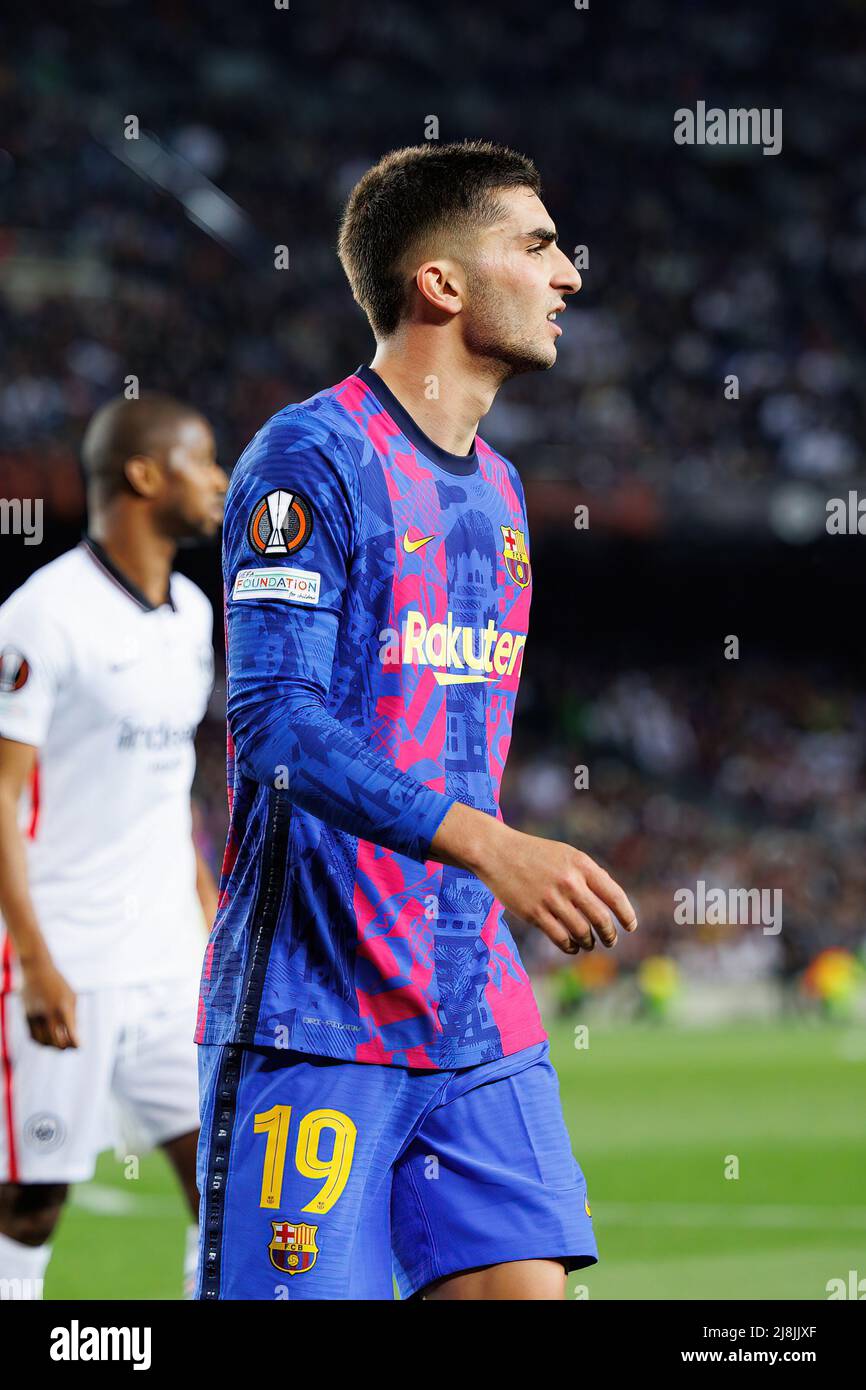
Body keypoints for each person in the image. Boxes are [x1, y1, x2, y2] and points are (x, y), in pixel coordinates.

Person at [196, 140, 637, 1301]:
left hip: (471, 1005)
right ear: (439, 282)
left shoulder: (497, 492)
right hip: (318, 1005)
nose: (567, 276)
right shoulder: (311, 457)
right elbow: (274, 723)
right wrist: (492, 845)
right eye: (535, 245)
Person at [0, 392, 227, 1299]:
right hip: (69, 961)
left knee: (233, 1182)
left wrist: (210, 915)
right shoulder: (42, 617)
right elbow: (2, 797)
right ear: (142, 475)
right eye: (202, 460)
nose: (219, 480)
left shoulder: (193, 615)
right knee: (31, 1199)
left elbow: (169, 786)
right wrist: (35, 959)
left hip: (169, 964)